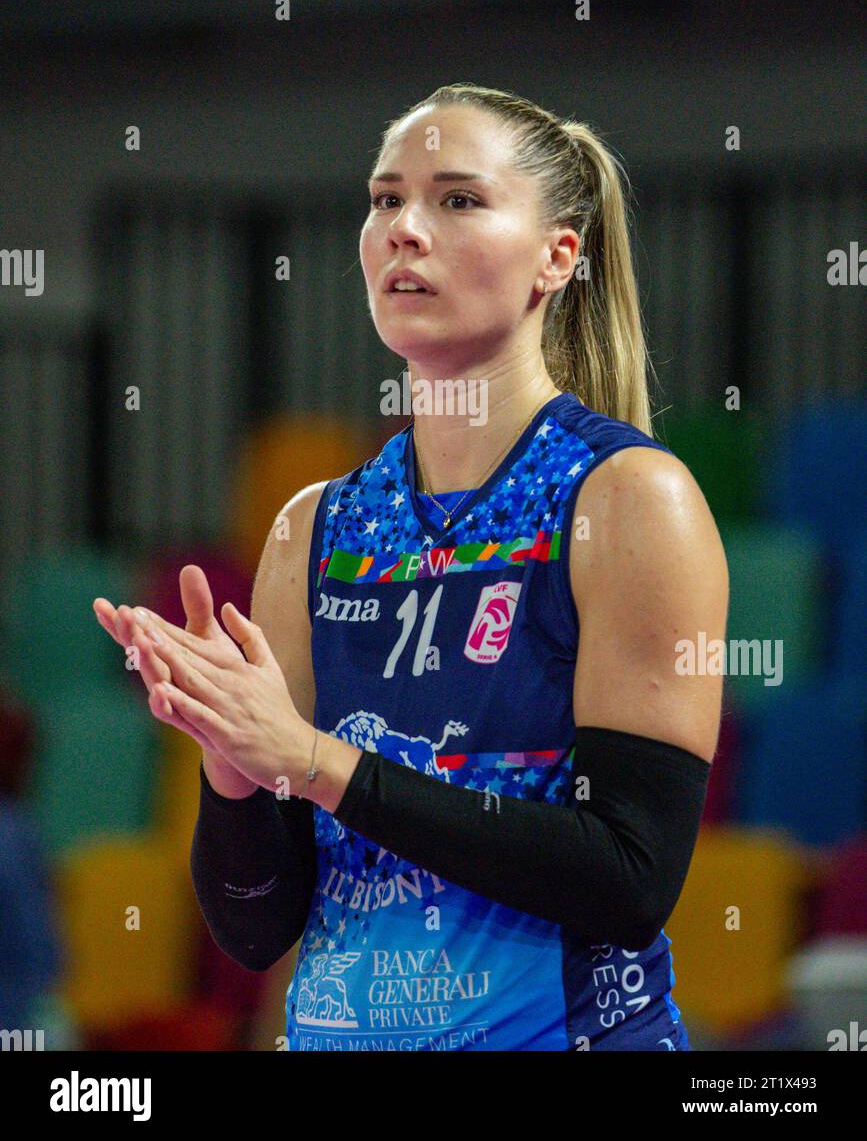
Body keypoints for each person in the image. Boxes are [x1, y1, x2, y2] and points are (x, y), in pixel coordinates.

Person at [94, 83, 727, 1051]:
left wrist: (312, 760)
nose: (404, 230)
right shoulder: (314, 530)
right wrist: (232, 764)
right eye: (386, 199)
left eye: (457, 199)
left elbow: (628, 878)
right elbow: (258, 928)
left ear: (559, 254)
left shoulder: (630, 499)